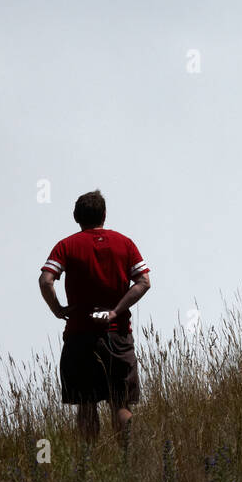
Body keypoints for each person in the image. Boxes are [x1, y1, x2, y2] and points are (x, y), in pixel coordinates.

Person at [37, 189, 151, 449]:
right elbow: (144, 282)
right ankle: (129, 459)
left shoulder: (66, 245)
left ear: (76, 217)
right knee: (119, 402)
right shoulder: (125, 243)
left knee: (86, 403)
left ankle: (90, 464)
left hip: (79, 336)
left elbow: (45, 280)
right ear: (104, 214)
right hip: (118, 334)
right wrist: (115, 310)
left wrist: (57, 309)